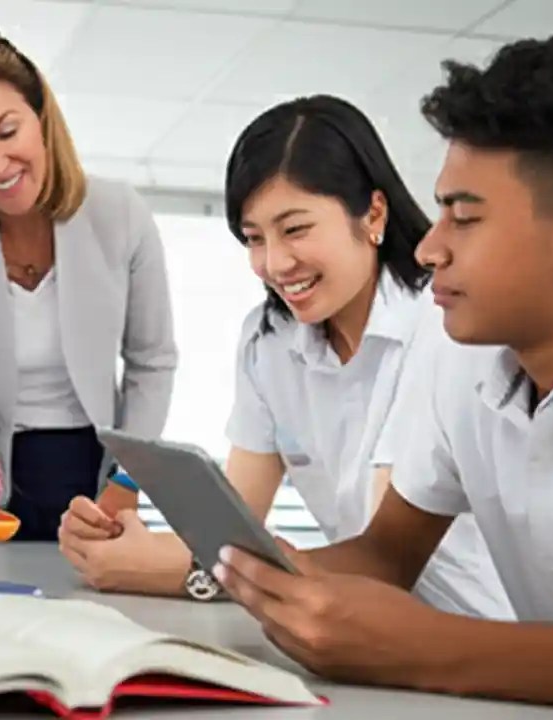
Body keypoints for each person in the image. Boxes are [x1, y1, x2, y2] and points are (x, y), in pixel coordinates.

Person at [213, 28, 553, 719]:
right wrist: (267, 576)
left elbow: (435, 639)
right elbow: (388, 554)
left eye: (463, 218)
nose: (429, 248)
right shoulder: (461, 357)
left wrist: (435, 650)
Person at [57, 95, 511, 619]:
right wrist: (119, 545)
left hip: (470, 627)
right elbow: (234, 530)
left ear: (373, 213)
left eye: (295, 229)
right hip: (351, 626)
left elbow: (381, 560)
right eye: (254, 239)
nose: (274, 263)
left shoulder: (438, 325)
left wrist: (178, 571)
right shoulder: (267, 342)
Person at [0, 27, 177, 541]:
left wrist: (128, 480)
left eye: (6, 132)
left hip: (98, 463)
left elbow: (151, 361)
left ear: (42, 118)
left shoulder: (120, 215)